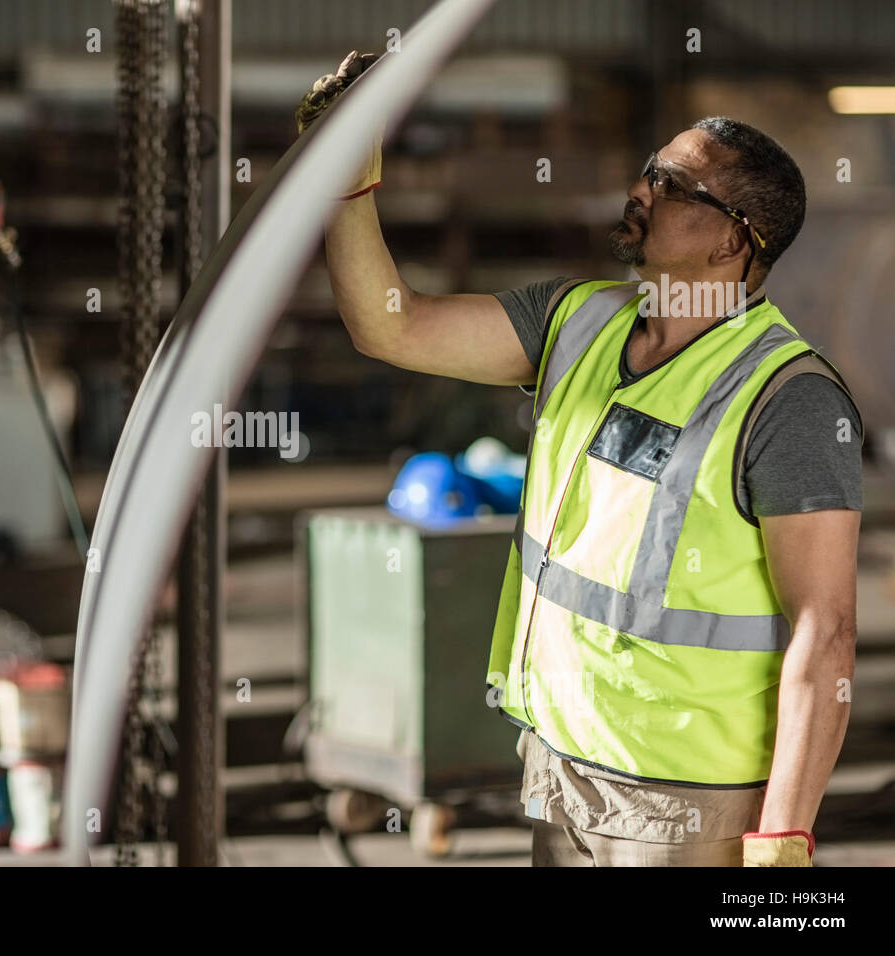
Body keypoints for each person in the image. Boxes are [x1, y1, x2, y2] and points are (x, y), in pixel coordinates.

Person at [302, 52, 864, 867]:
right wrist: (348, 182)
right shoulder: (575, 322)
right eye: (649, 172)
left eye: (674, 187)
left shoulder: (788, 399)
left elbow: (827, 629)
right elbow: (390, 326)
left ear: (735, 241)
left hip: (684, 807)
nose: (642, 191)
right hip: (560, 772)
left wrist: (782, 838)